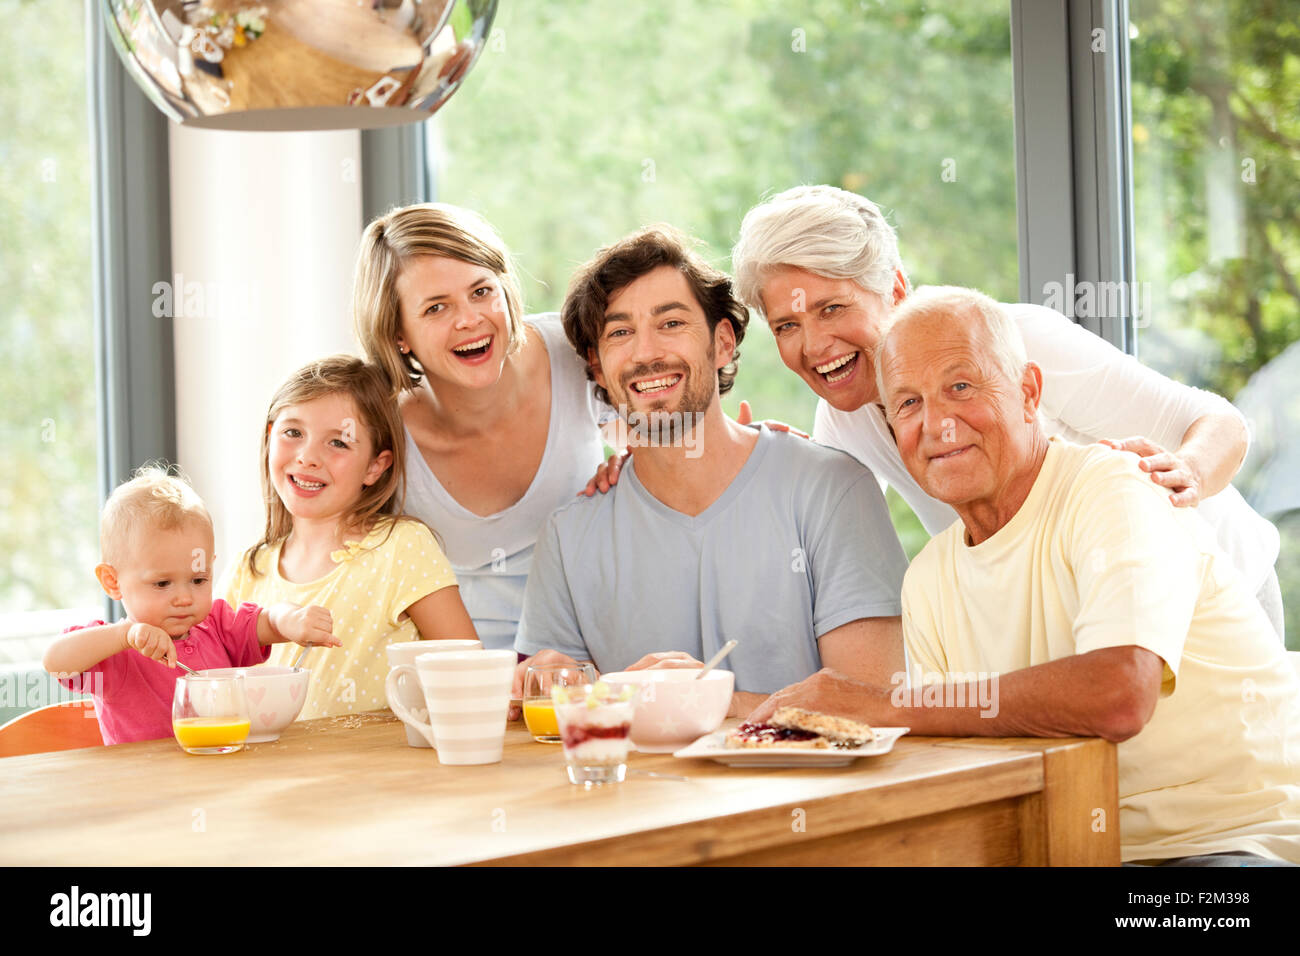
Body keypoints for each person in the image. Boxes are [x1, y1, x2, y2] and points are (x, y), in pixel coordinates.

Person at [752, 287, 1300, 865]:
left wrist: (887, 705)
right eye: (908, 404)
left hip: (1231, 853)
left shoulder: (1114, 489)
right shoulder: (931, 579)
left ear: (1029, 393)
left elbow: (1119, 695)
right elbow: (957, 759)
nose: (937, 423)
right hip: (1074, 851)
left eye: (960, 387)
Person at [729, 184, 1285, 639]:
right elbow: (837, 555)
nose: (815, 345)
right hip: (1079, 627)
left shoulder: (1018, 340)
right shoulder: (843, 423)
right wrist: (777, 470)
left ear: (895, 290)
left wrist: (1186, 471)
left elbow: (1221, 424)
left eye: (833, 309)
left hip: (1216, 594)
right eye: (787, 326)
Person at [513, 226, 909, 717]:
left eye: (671, 323)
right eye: (619, 333)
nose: (646, 353)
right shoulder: (569, 536)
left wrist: (705, 698)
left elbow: (876, 705)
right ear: (596, 366)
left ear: (722, 343)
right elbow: (567, 727)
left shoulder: (831, 489)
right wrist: (548, 677)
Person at [354, 203, 621, 652]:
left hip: (599, 656)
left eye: (481, 291)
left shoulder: (570, 350)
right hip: (468, 678)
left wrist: (739, 447)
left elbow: (658, 446)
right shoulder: (380, 432)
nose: (469, 319)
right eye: (436, 307)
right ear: (398, 334)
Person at [222, 356, 476, 720]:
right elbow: (207, 676)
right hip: (270, 774)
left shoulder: (401, 547)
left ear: (375, 466)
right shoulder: (248, 569)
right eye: (293, 433)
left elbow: (468, 671)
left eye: (338, 443)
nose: (308, 457)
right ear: (270, 437)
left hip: (380, 773)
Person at [43, 465, 337, 745]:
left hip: (222, 777)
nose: (184, 598)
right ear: (112, 581)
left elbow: (269, 621)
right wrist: (125, 636)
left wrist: (293, 620)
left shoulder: (218, 626)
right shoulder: (117, 654)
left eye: (198, 580)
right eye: (162, 584)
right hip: (146, 791)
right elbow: (56, 661)